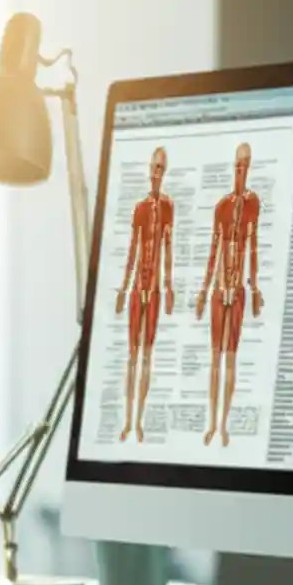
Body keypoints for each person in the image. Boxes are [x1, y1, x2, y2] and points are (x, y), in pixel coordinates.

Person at [195, 143, 263, 447]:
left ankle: (223, 426)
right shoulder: (222, 206)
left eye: (245, 164)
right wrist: (204, 290)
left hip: (236, 291)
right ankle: (210, 424)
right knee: (214, 359)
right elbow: (214, 251)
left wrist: (255, 286)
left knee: (231, 359)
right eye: (237, 163)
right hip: (220, 287)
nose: (241, 169)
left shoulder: (252, 204)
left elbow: (253, 245)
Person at [114, 147, 174, 443]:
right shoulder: (139, 208)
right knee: (132, 357)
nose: (156, 172)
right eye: (154, 166)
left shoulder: (168, 207)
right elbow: (132, 250)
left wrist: (170, 286)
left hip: (154, 290)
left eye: (161, 168)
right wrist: (124, 289)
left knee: (147, 355)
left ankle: (139, 421)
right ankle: (127, 420)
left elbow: (168, 249)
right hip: (139, 288)